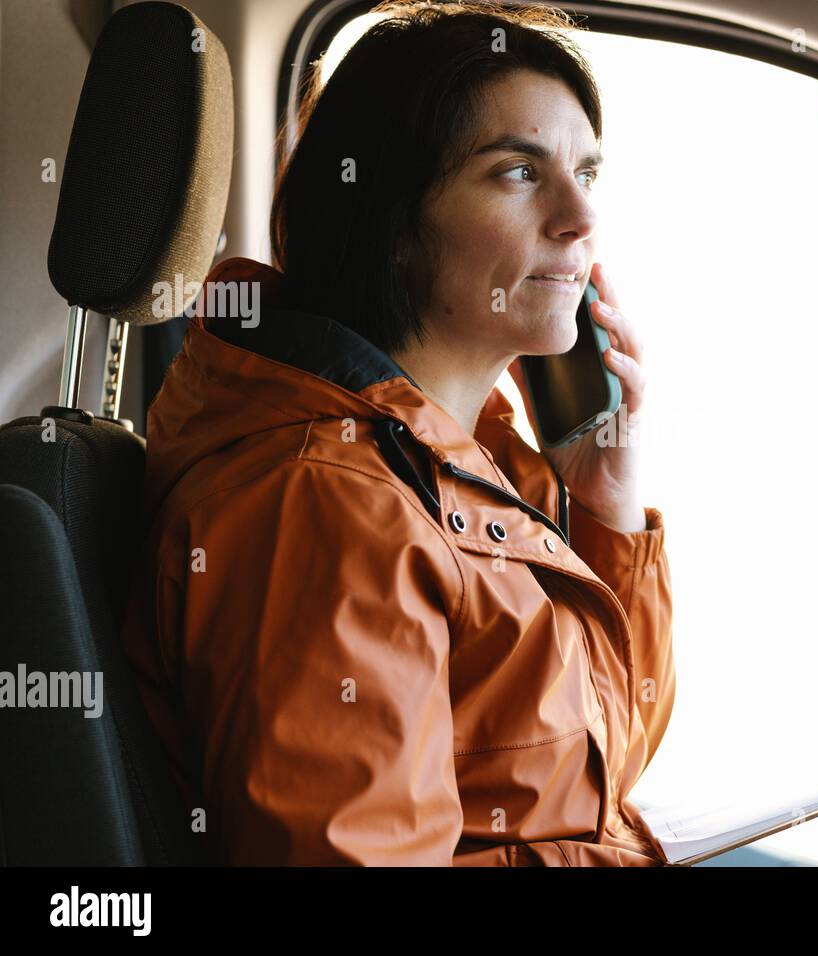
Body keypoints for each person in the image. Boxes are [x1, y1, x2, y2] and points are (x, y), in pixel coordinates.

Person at [119, 0, 675, 866]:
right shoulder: (327, 501)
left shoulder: (464, 463)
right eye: (518, 173)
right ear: (392, 221)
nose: (580, 216)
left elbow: (597, 772)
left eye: (586, 173)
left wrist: (608, 509)